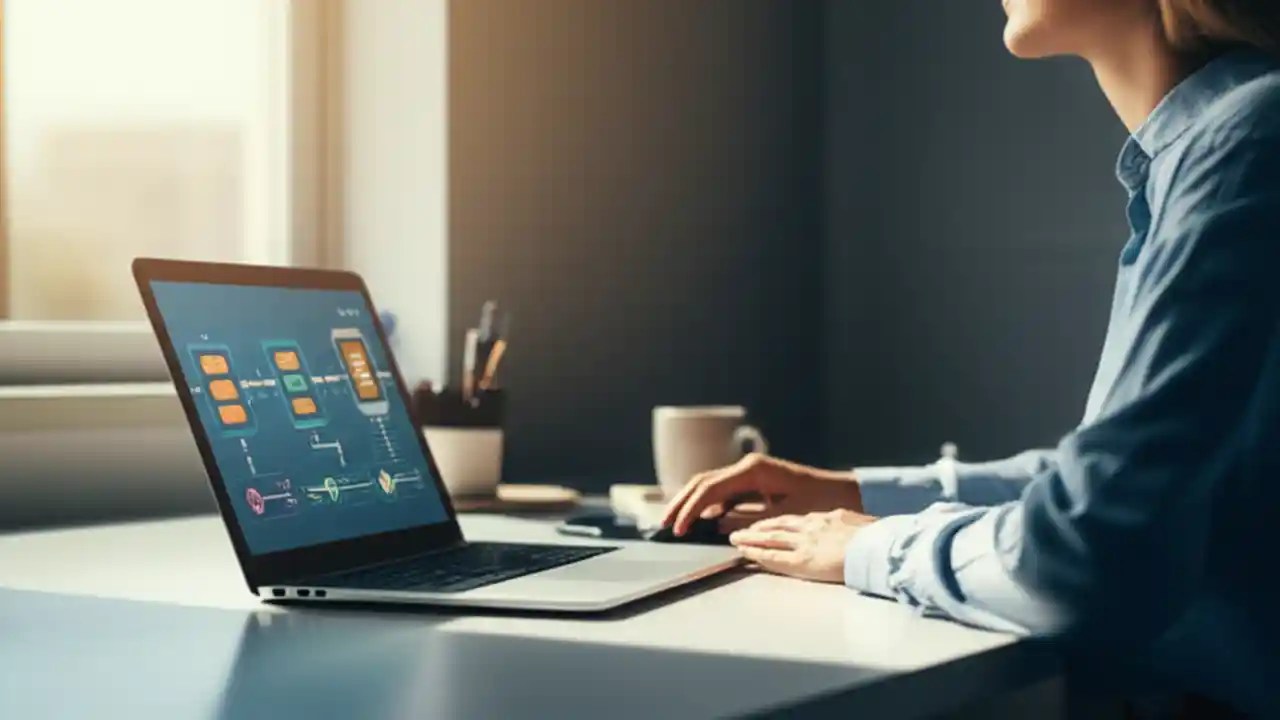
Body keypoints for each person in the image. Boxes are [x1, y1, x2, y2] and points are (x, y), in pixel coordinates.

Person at [661, 1, 1280, 716]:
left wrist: (872, 548)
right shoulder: (1216, 147)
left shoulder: (1247, 144)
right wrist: (854, 493)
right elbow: (1117, 490)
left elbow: (1088, 555)